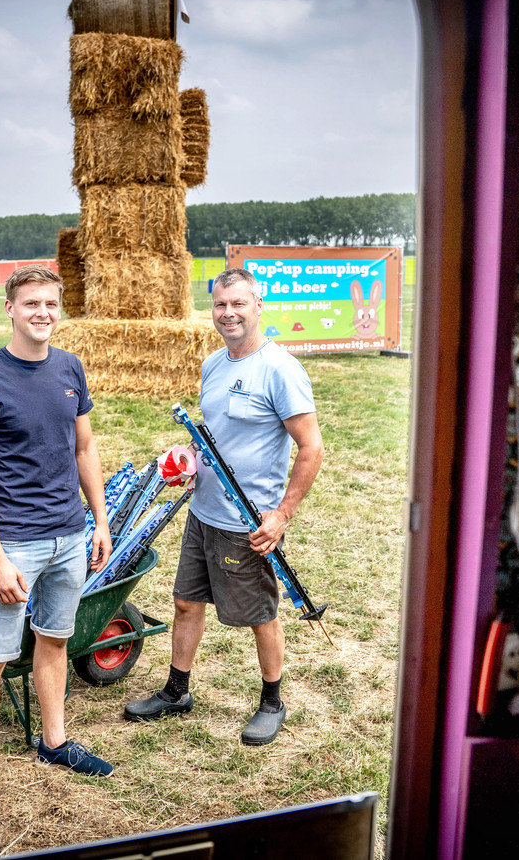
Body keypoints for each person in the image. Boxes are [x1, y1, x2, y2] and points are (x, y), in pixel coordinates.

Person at [124, 266, 324, 745]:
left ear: (258, 307)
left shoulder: (280, 369)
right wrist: (186, 459)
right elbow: (213, 439)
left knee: (258, 614)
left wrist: (280, 515)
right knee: (185, 602)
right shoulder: (213, 365)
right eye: (220, 305)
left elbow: (312, 448)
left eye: (238, 304)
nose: (228, 313)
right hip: (203, 511)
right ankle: (177, 691)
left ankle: (272, 701)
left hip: (249, 522)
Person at [0, 264, 114, 841]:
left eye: (50, 303)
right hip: (15, 541)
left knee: (56, 641)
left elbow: (85, 447)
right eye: (31, 304)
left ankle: (56, 742)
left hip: (70, 534)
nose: (42, 312)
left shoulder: (70, 368)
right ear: (10, 309)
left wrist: (99, 520)